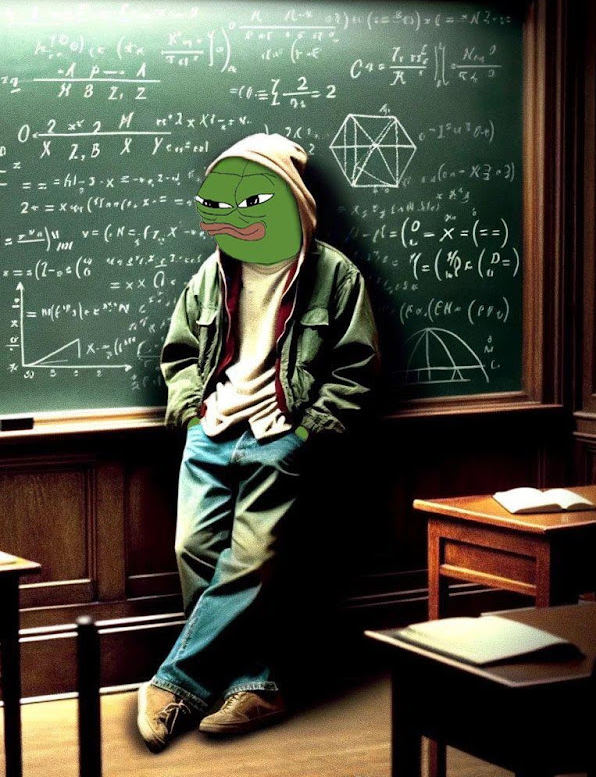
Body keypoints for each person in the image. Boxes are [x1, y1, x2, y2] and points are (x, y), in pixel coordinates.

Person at [136, 133, 380, 752]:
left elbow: (356, 369)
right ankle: (254, 682)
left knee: (251, 560)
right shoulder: (212, 272)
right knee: (194, 550)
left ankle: (175, 682)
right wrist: (194, 415)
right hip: (214, 431)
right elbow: (180, 354)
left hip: (279, 438)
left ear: (292, 202)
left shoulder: (335, 275)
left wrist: (305, 431)